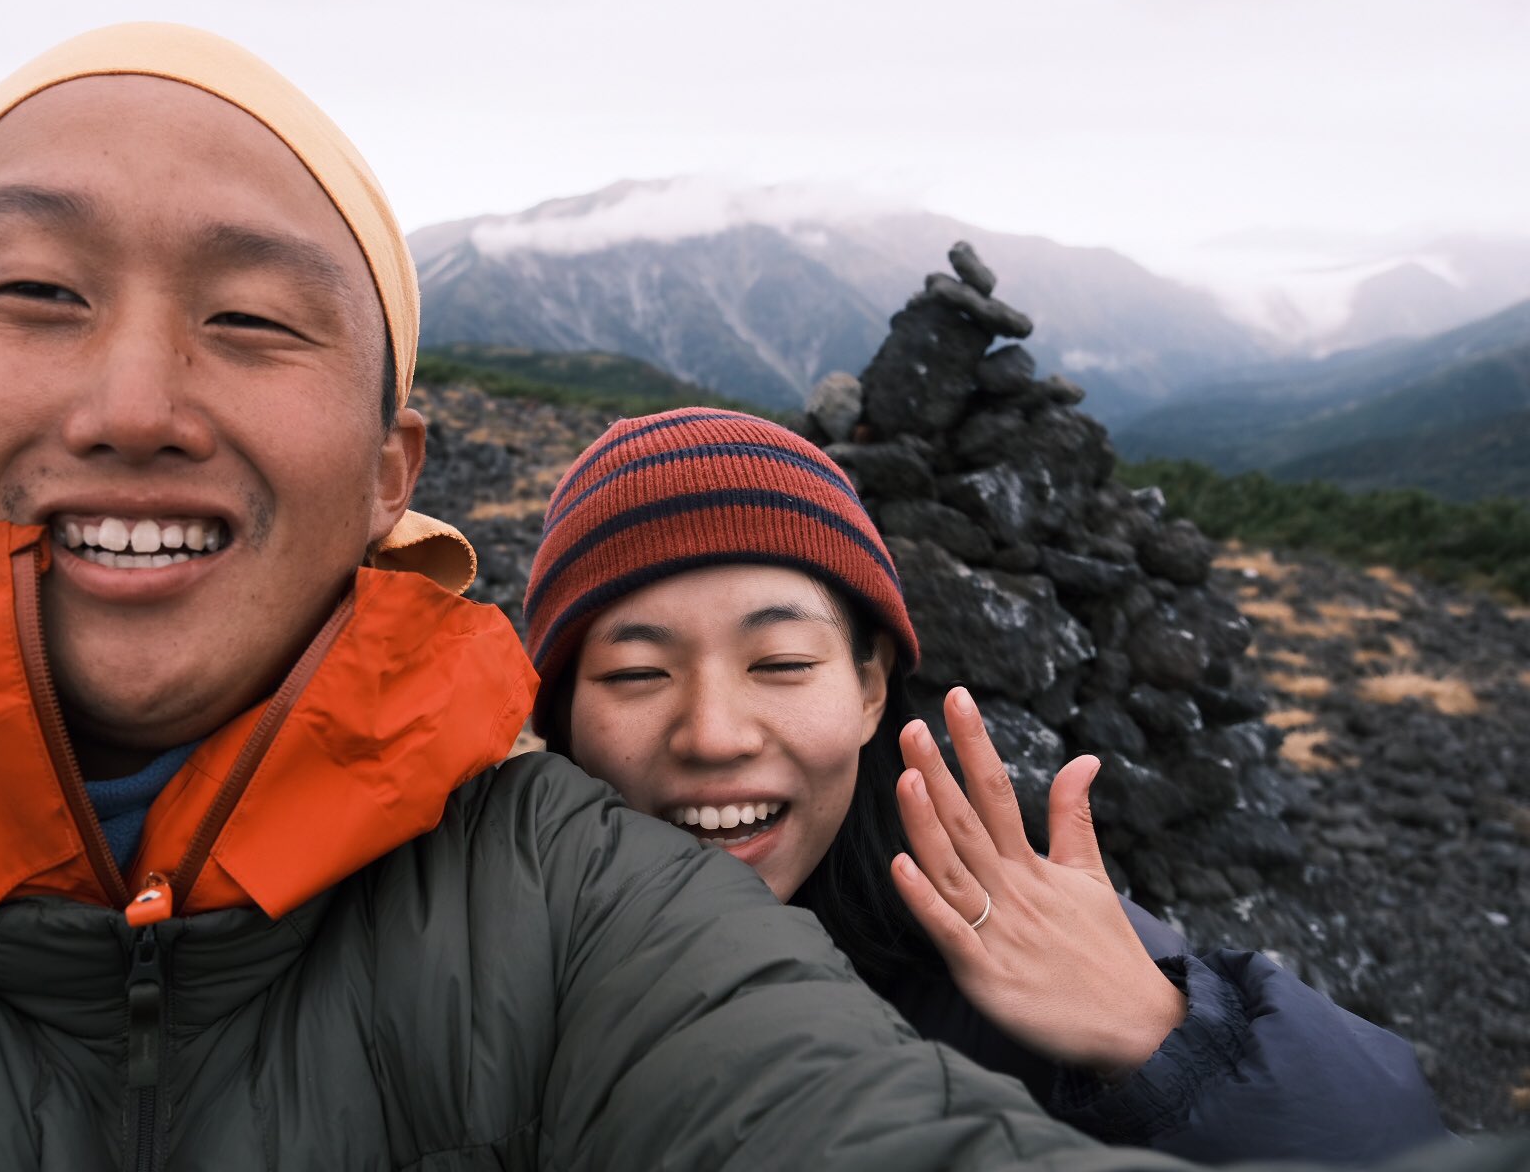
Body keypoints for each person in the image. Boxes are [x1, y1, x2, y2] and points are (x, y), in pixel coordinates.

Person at [0, 20, 1330, 1172]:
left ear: (393, 471)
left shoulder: (566, 909)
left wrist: (1174, 1042)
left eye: (251, 316)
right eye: (36, 291)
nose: (134, 401)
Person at [523, 406, 1450, 1165]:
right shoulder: (478, 949)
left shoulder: (1007, 939)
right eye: (637, 674)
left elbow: (1397, 1145)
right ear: (556, 718)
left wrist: (1169, 1040)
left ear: (871, 689)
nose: (715, 735)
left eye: (781, 661)